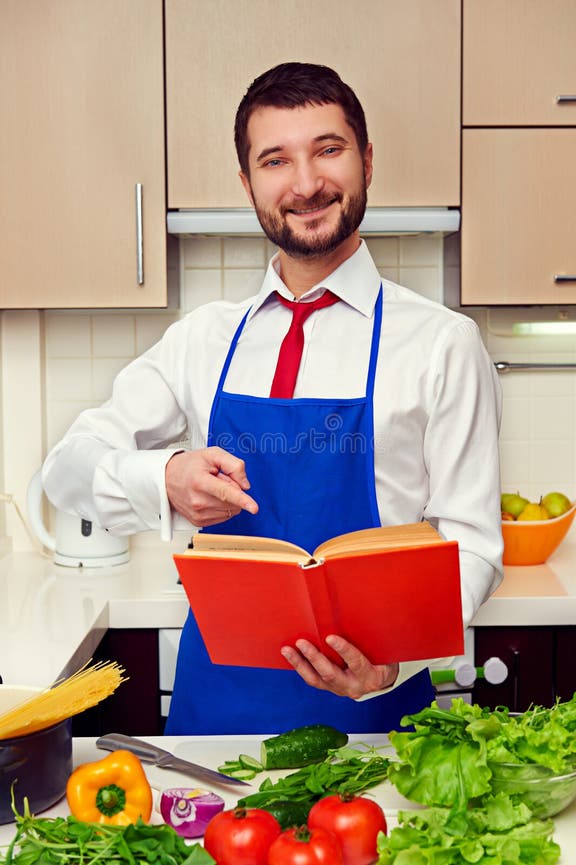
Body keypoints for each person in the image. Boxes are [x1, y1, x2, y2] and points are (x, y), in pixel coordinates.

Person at [42, 62, 503, 735]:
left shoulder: (442, 344)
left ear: (367, 161)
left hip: (377, 727)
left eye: (328, 150)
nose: (306, 183)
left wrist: (394, 663)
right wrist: (163, 478)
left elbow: (472, 545)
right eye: (275, 160)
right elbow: (65, 468)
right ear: (248, 182)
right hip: (215, 734)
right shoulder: (202, 339)